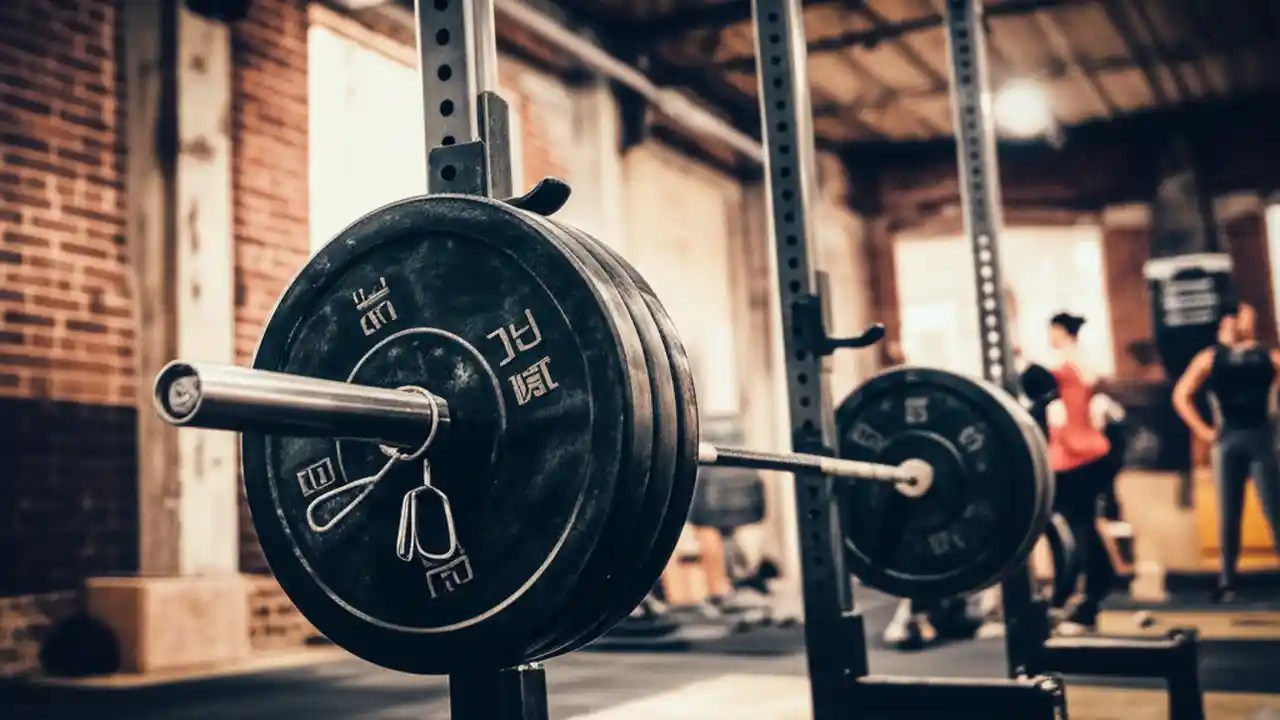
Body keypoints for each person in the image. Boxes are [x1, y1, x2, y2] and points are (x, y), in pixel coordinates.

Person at [1172, 302, 1280, 602]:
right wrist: (1204, 431)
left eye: (1251, 317)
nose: (1248, 322)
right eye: (1243, 316)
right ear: (1228, 321)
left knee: (1275, 508)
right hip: (1227, 439)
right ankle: (1227, 579)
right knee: (1228, 511)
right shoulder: (1210, 358)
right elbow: (1181, 395)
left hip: (1260, 437)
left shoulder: (1267, 356)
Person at [1045, 312, 1116, 634]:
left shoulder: (1064, 366)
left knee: (1074, 529)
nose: (1050, 336)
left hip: (1073, 456)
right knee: (1084, 525)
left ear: (1061, 331)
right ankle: (1089, 592)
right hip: (1090, 453)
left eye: (1052, 331)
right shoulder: (1083, 362)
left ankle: (1076, 598)